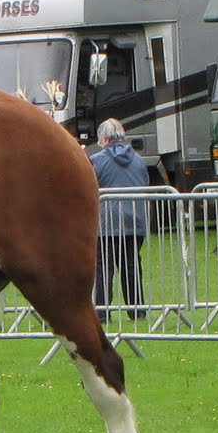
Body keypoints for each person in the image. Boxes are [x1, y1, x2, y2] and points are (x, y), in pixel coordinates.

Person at [90, 118, 151, 322]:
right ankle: (137, 311)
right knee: (131, 266)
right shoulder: (139, 160)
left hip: (106, 223)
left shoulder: (97, 161)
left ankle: (102, 313)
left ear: (104, 139)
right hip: (135, 221)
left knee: (103, 269)